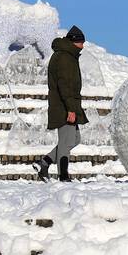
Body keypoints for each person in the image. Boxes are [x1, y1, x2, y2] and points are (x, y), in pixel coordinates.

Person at [37, 25, 88, 182]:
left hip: (67, 104)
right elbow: (65, 86)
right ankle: (63, 176)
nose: (83, 46)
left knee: (75, 139)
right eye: (81, 42)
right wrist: (71, 109)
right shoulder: (65, 58)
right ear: (74, 42)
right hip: (64, 106)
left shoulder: (66, 56)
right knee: (66, 143)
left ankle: (44, 162)